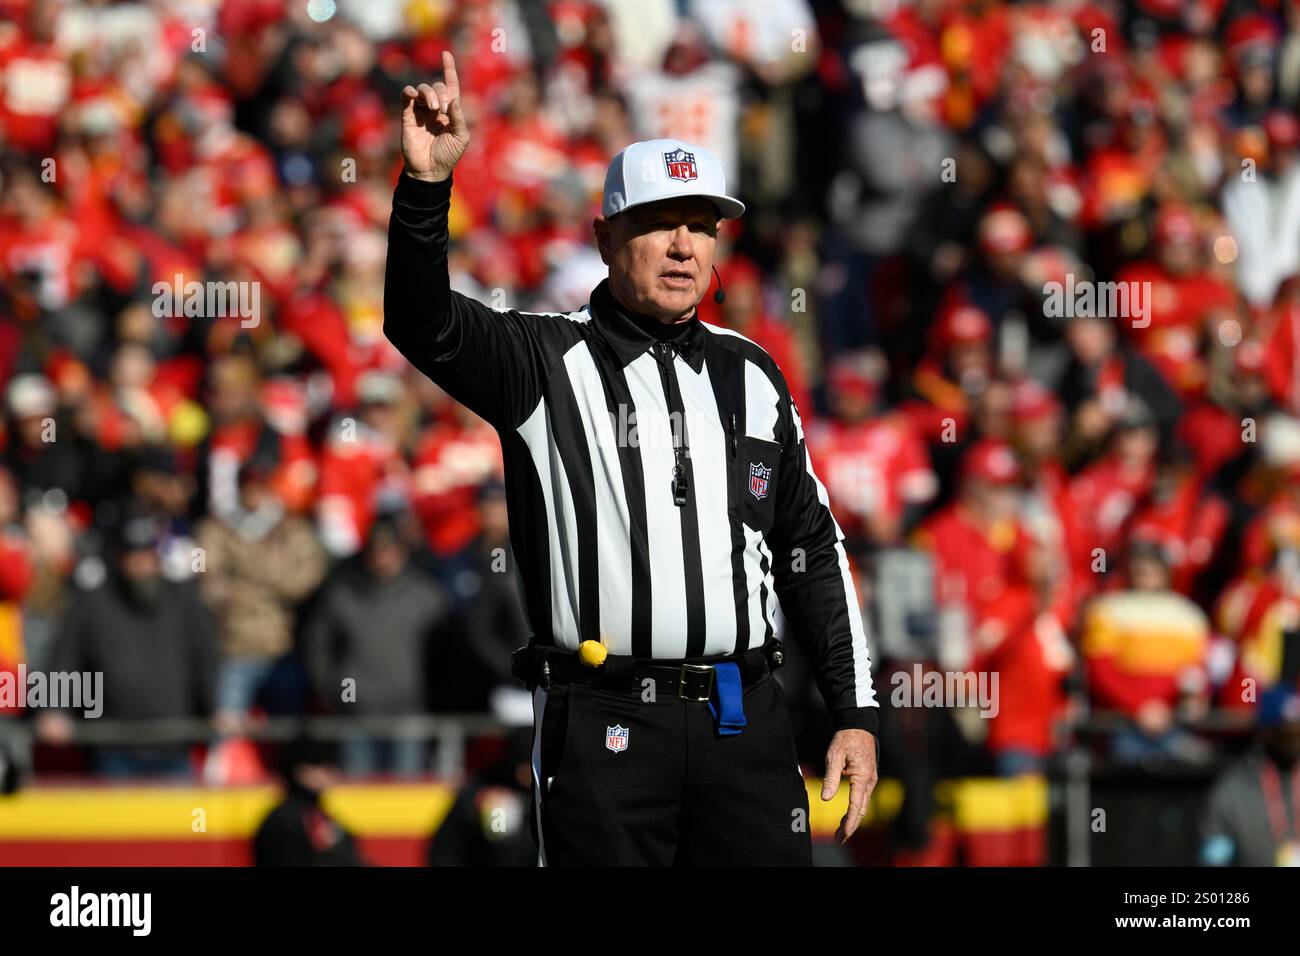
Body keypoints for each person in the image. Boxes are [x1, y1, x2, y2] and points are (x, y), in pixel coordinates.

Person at [384, 52, 878, 865]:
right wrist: (426, 188)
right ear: (605, 236)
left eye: (702, 225)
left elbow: (811, 550)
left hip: (743, 718)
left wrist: (855, 710)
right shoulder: (541, 359)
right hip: (607, 722)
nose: (684, 246)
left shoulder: (752, 370)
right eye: (659, 222)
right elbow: (418, 319)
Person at [303, 504, 448, 777]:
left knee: (408, 799)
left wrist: (430, 695)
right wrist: (334, 691)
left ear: (402, 551)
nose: (383, 558)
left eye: (389, 550)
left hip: (409, 711)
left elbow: (443, 656)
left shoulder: (426, 596)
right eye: (376, 551)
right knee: (356, 798)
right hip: (356, 712)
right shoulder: (342, 594)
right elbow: (318, 647)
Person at [1201, 687, 1300, 866]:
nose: (1295, 741)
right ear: (1265, 732)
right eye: (1286, 734)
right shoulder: (1234, 789)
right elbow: (1214, 859)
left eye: (1299, 731)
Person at [253, 736, 364, 867]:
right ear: (302, 772)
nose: (331, 773)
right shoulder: (282, 821)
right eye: (322, 766)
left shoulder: (320, 815)